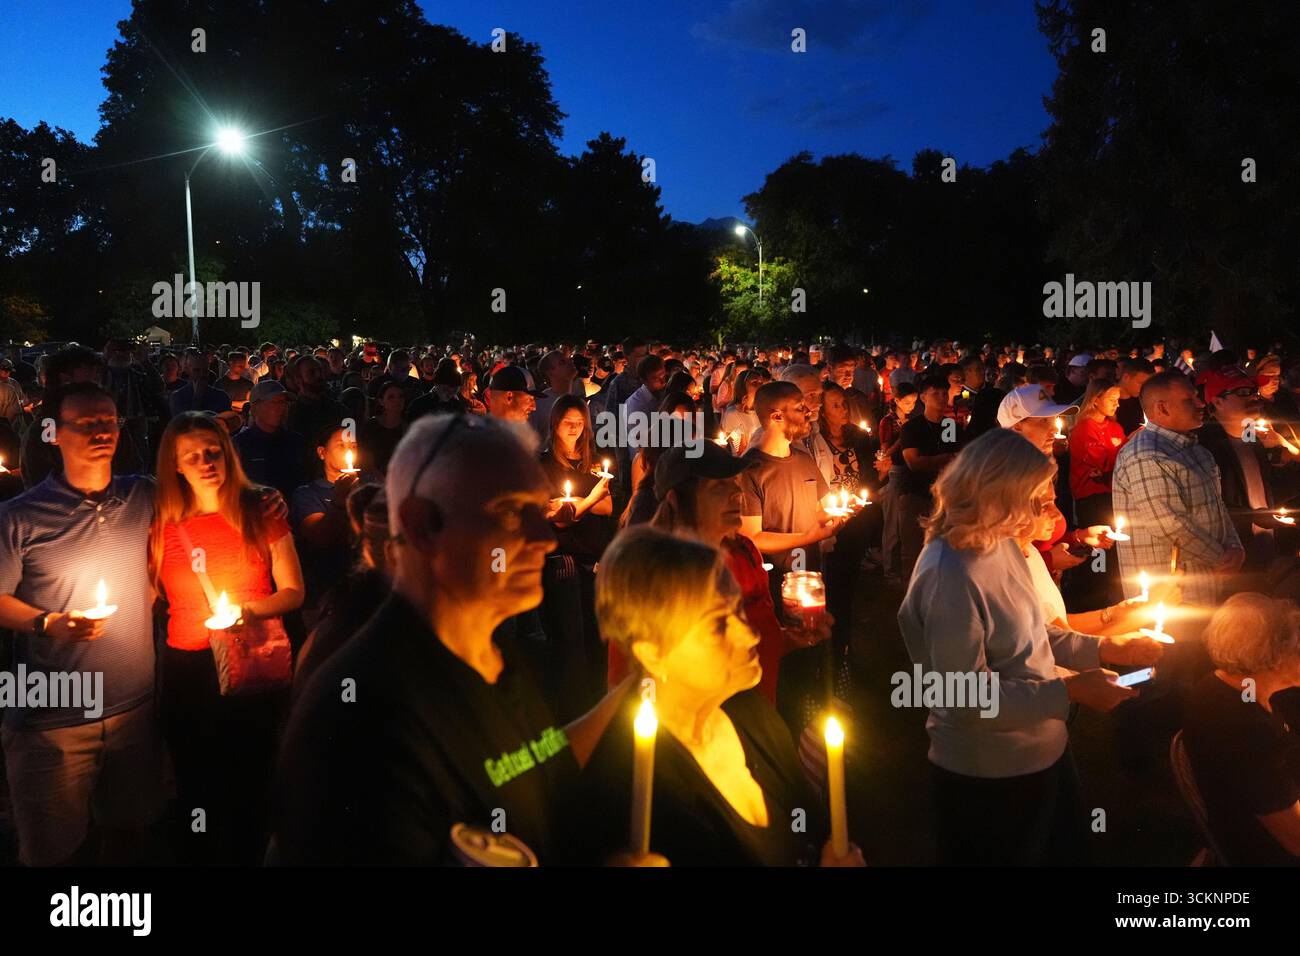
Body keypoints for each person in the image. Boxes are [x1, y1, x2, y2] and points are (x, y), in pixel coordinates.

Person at [271, 414, 626, 864]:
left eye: (541, 510)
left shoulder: (489, 653)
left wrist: (631, 691)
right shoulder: (369, 722)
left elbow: (534, 763)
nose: (544, 538)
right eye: (512, 512)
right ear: (421, 526)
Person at [897, 428, 1160, 865]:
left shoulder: (1000, 546)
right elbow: (960, 696)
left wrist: (1108, 647)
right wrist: (1072, 691)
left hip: (1043, 752)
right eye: (1035, 499)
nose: (1046, 512)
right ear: (997, 493)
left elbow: (1036, 633)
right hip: (991, 774)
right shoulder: (951, 573)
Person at [570, 526, 865, 867]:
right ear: (652, 653)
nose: (747, 632)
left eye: (739, 610)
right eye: (718, 625)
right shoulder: (638, 795)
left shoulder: (754, 716)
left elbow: (808, 831)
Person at [0, 382, 168, 865]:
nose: (102, 432)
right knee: (54, 852)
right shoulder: (20, 518)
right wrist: (46, 621)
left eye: (109, 422)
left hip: (133, 711)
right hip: (52, 723)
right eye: (87, 423)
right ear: (53, 433)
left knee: (130, 836)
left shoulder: (142, 497)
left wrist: (264, 500)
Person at [150, 412, 304, 864]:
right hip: (189, 672)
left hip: (248, 666)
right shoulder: (161, 522)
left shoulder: (260, 509)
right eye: (192, 456)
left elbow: (294, 591)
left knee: (250, 779)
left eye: (213, 451)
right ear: (175, 464)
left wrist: (246, 611)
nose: (205, 462)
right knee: (196, 782)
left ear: (228, 452)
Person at [1183, 593, 1300, 865]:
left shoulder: (1220, 686)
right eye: (1298, 643)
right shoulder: (1247, 732)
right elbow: (1296, 840)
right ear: (1270, 655)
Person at [1112, 371, 1243, 607]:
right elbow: (1166, 522)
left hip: (1206, 582)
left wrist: (1235, 547)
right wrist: (1221, 557)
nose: (1201, 403)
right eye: (1189, 399)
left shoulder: (1196, 450)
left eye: (1197, 397)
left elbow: (1217, 505)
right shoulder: (1146, 455)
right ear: (1162, 409)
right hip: (1170, 596)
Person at [538, 395, 614, 720]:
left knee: (597, 639)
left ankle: (599, 708)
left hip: (593, 561)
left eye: (580, 423)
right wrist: (592, 496)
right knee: (570, 642)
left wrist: (573, 503)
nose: (575, 429)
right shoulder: (543, 464)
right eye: (568, 423)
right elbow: (556, 518)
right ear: (555, 424)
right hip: (562, 564)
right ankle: (571, 715)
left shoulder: (591, 462)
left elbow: (609, 508)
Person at [291, 423, 366, 612]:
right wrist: (339, 501)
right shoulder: (307, 493)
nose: (348, 451)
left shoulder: (368, 490)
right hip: (324, 591)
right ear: (322, 452)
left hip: (363, 586)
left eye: (353, 446)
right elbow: (320, 538)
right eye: (341, 445)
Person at [896, 375, 960, 578]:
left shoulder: (949, 426)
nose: (942, 398)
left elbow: (955, 454)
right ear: (923, 397)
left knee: (944, 549)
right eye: (936, 394)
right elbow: (914, 462)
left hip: (944, 496)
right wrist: (943, 459)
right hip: (916, 494)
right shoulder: (913, 427)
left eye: (944, 393)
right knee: (914, 550)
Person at [1069, 379, 1128, 529]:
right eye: (1111, 400)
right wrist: (1127, 443)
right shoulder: (1085, 428)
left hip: (1114, 493)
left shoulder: (1115, 427)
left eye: (1118, 400)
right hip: (1092, 498)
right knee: (1098, 549)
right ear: (1095, 400)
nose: (1117, 404)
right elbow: (1104, 462)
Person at [234, 380, 310, 497]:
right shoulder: (240, 445)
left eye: (284, 403)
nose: (282, 408)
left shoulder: (296, 442)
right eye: (275, 402)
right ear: (255, 407)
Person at [359, 380, 407, 474]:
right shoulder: (371, 427)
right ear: (381, 401)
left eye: (400, 396)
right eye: (391, 397)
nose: (397, 400)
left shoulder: (409, 426)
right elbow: (365, 460)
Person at [169, 348, 232, 417]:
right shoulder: (178, 397)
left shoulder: (221, 396)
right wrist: (197, 398)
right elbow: (186, 424)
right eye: (196, 370)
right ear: (188, 371)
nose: (202, 374)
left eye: (205, 370)